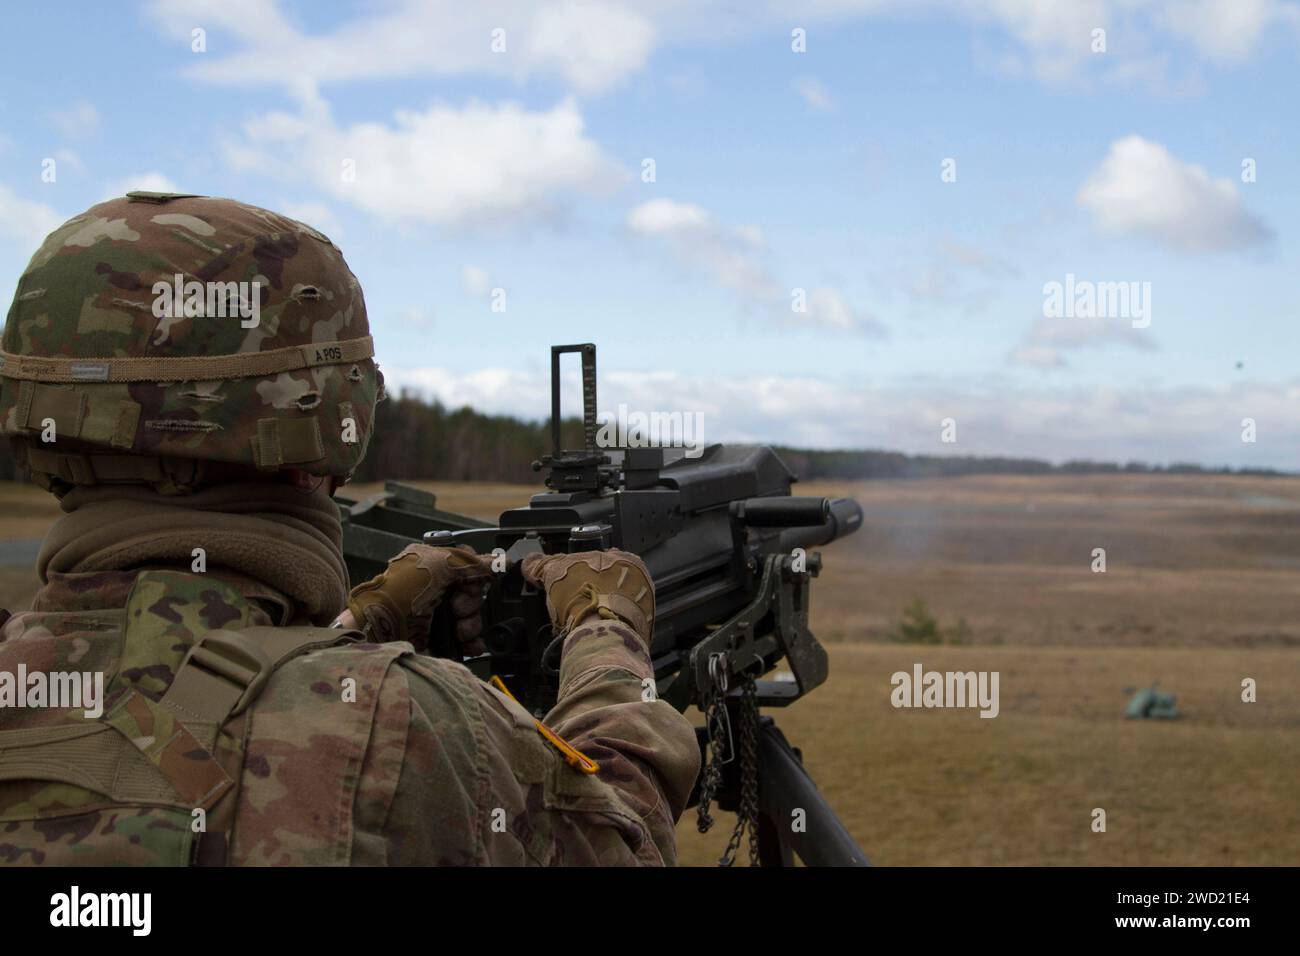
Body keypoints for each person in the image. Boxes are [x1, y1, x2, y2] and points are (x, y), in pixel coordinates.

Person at [0, 193, 699, 866]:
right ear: (324, 425)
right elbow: (622, 846)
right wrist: (608, 638)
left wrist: (357, 625)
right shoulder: (414, 725)